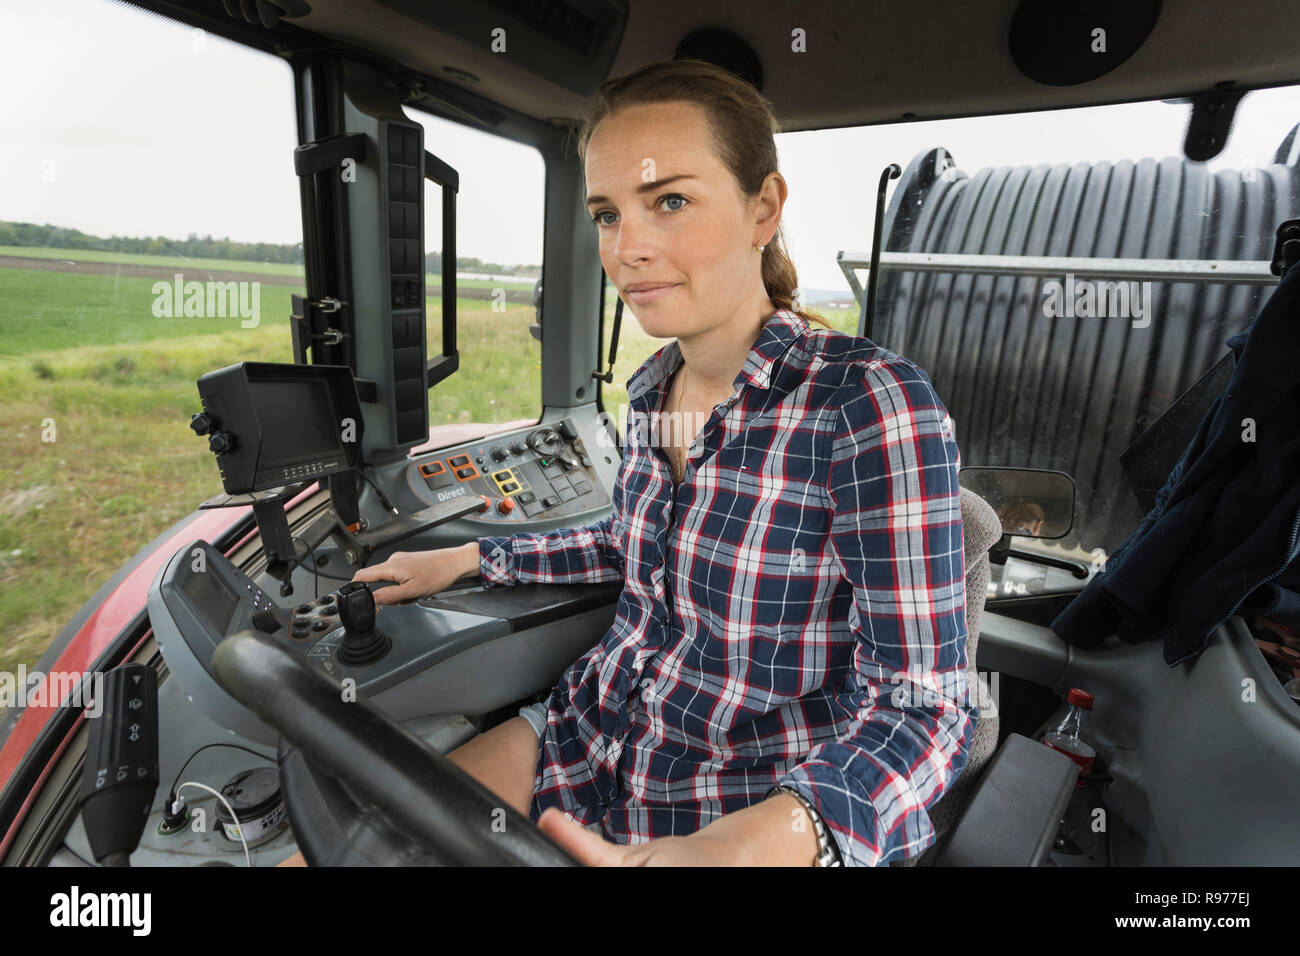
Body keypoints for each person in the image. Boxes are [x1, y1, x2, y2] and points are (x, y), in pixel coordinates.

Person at [280, 57, 974, 867]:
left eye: (670, 201)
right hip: (583, 736)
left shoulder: (866, 405)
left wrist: (753, 846)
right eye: (607, 215)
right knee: (331, 855)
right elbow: (629, 545)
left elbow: (925, 709)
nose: (627, 248)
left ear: (763, 208)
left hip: (740, 804)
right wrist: (468, 559)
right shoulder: (652, 391)